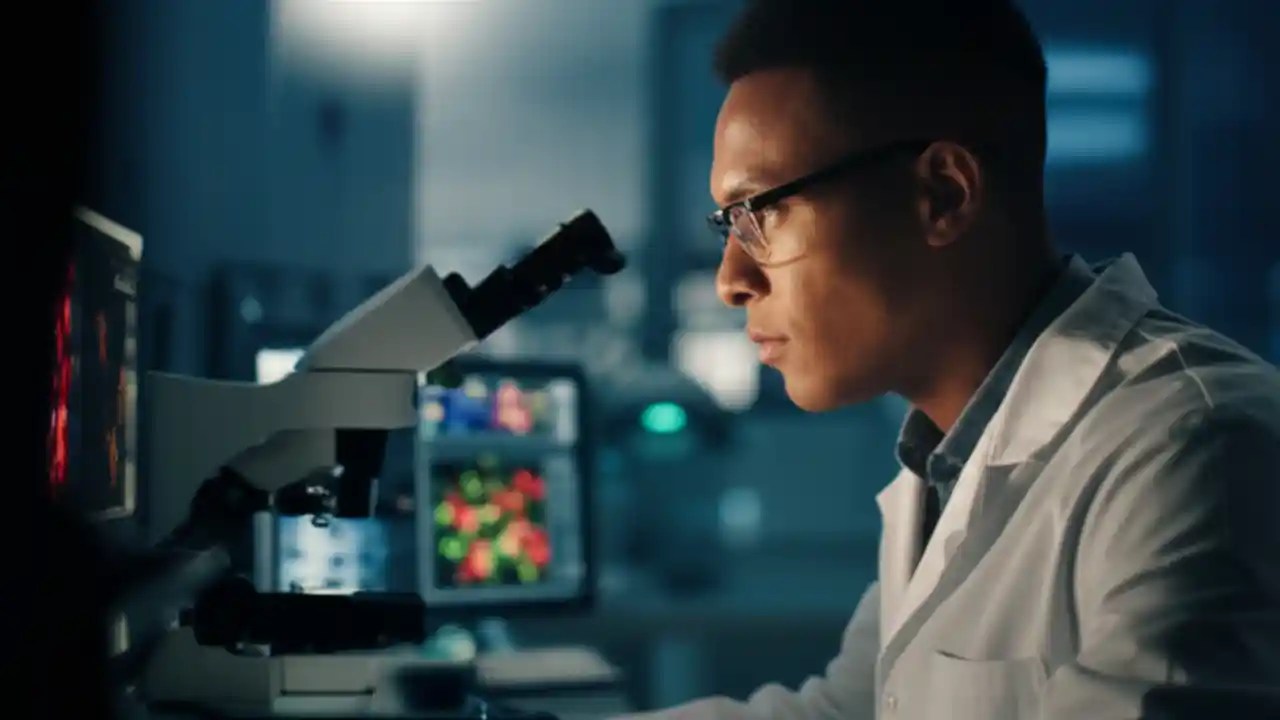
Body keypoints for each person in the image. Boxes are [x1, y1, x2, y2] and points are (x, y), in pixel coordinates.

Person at [617, 1, 1280, 718]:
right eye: (726, 226)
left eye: (759, 213)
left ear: (943, 195)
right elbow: (853, 708)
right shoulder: (945, 458)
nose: (730, 280)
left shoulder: (1198, 453)